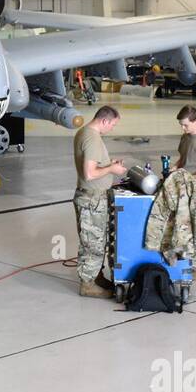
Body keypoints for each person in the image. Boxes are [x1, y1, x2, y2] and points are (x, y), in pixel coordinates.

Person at [73, 106, 128, 297]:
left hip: (94, 197)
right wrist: (112, 170)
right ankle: (87, 284)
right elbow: (89, 174)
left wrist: (109, 164)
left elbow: (93, 166)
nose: (112, 128)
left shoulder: (85, 133)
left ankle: (95, 275)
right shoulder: (92, 138)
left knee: (98, 240)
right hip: (92, 198)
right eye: (112, 124)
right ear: (104, 121)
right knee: (93, 243)